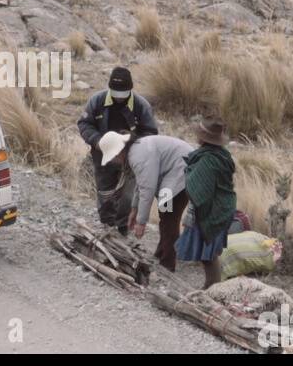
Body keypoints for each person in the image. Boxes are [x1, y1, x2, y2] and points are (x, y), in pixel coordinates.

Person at [77, 67, 158, 235]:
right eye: (115, 93)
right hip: (103, 155)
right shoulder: (97, 101)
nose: (119, 98)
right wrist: (97, 141)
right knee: (104, 191)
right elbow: (84, 124)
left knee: (128, 195)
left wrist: (132, 138)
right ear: (109, 87)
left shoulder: (141, 105)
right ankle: (106, 223)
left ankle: (122, 227)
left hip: (131, 157)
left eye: (123, 94)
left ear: (131, 89)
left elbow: (151, 133)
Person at [97, 131, 194, 271]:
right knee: (165, 216)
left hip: (182, 175)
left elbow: (147, 189)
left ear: (118, 152)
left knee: (169, 219)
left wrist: (141, 222)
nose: (114, 161)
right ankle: (161, 254)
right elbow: (141, 183)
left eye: (113, 157)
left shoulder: (138, 156)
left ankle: (168, 263)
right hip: (176, 174)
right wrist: (134, 210)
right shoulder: (135, 151)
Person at [176, 117, 236, 289]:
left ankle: (212, 287)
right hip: (221, 207)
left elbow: (201, 190)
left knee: (208, 253)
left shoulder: (208, 160)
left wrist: (190, 180)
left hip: (212, 211)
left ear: (203, 138)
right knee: (208, 253)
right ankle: (212, 286)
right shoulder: (219, 155)